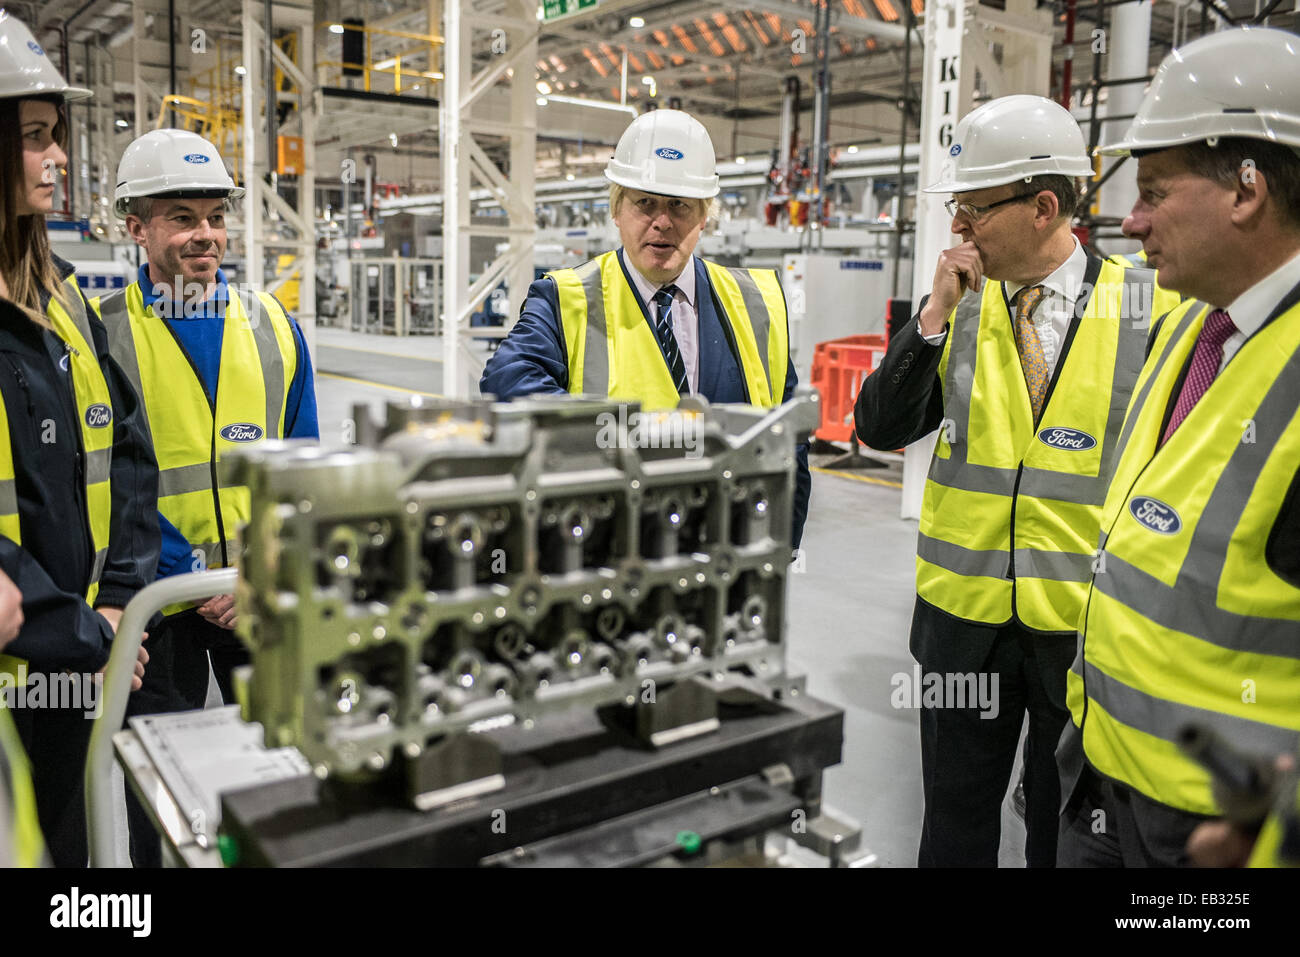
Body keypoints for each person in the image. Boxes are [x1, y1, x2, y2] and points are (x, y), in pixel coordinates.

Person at [855, 94, 1156, 867]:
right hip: (962, 628)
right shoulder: (959, 304)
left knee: (1065, 832)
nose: (959, 226)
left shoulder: (1148, 309)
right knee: (954, 823)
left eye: (974, 208)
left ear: (1043, 208)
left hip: (1079, 635)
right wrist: (929, 318)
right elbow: (880, 428)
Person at [1058, 25, 1300, 867]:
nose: (1131, 219)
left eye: (1155, 191)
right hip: (1102, 776)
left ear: (1245, 189)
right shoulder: (1190, 332)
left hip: (1217, 829)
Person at [96, 127, 319, 865]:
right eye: (182, 217)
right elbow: (101, 484)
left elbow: (302, 465)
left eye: (215, 216)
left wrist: (260, 561)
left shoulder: (274, 329)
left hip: (259, 590)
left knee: (287, 771)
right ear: (137, 226)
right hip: (155, 606)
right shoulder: (103, 338)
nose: (206, 235)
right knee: (153, 788)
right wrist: (184, 572)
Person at [480, 109, 811, 547]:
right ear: (616, 210)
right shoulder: (567, 297)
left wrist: (779, 543)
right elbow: (506, 380)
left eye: (679, 205)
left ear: (703, 215)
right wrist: (614, 440)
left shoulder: (756, 301)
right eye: (645, 203)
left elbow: (789, 435)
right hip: (610, 549)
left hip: (725, 552)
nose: (662, 221)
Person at [0, 10, 158, 867]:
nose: (59, 156)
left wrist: (115, 610)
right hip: (23, 666)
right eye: (33, 136)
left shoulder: (56, 294)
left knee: (80, 863)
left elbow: (127, 456)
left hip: (82, 661)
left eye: (55, 135)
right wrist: (86, 636)